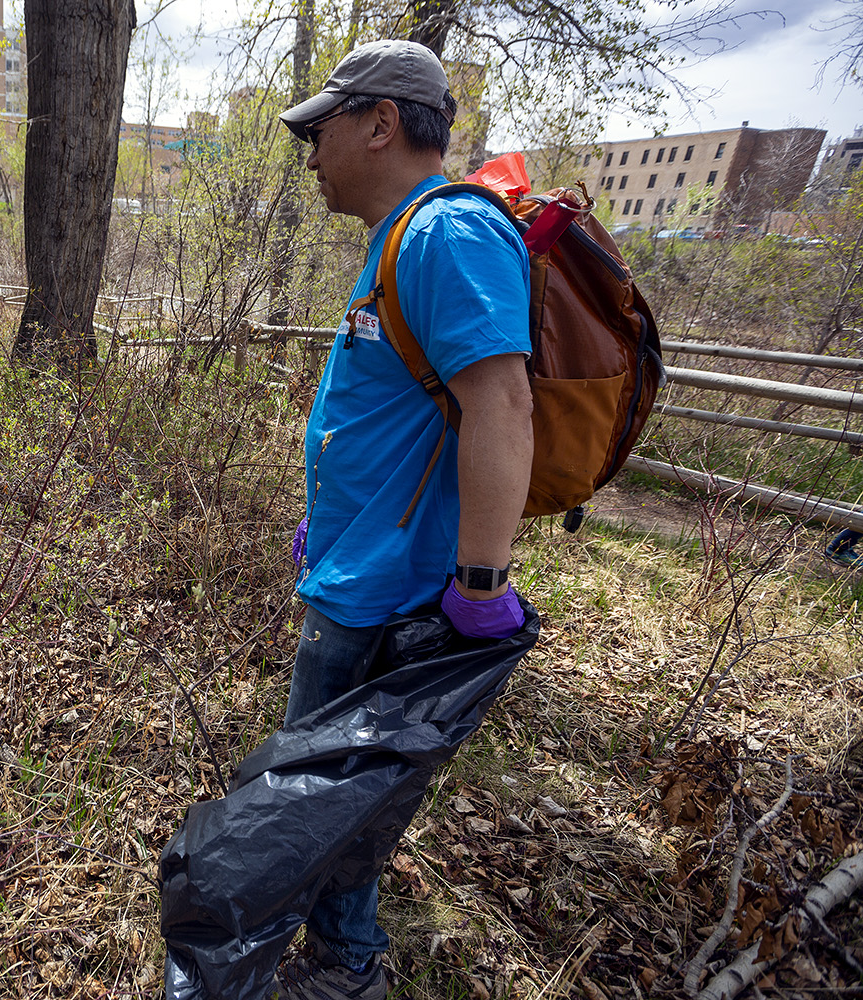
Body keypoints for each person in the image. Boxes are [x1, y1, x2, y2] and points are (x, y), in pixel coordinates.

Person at [273, 39, 534, 1000]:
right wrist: (330, 526)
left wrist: (480, 582)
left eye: (321, 127)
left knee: (334, 795)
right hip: (357, 571)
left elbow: (502, 405)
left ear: (381, 123)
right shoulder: (402, 238)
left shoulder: (444, 237)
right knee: (338, 787)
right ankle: (342, 951)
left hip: (394, 597)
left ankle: (345, 967)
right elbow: (400, 414)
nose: (310, 151)